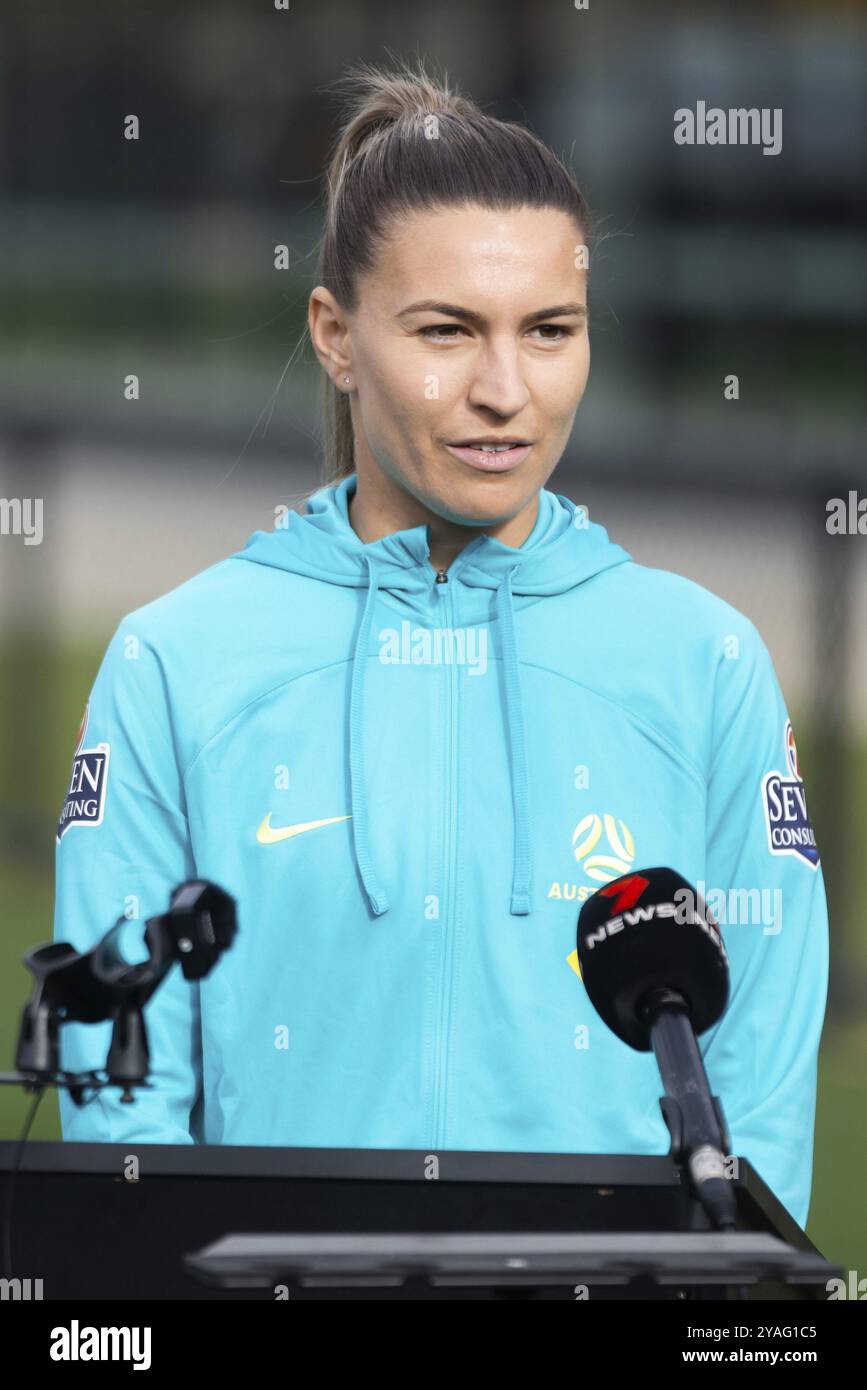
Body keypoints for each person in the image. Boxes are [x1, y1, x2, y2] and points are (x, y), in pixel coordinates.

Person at [54, 59, 828, 1231]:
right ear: (336, 335)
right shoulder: (173, 662)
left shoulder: (706, 664)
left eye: (549, 329)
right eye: (447, 330)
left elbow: (761, 1081)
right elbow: (120, 1081)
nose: (505, 389)